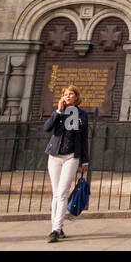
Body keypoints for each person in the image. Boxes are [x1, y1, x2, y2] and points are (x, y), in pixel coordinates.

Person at [44, 84, 89, 244]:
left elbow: (83, 138)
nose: (68, 96)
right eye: (66, 94)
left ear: (76, 97)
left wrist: (85, 160)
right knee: (56, 193)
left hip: (71, 156)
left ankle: (55, 229)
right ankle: (56, 226)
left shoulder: (81, 114)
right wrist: (59, 111)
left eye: (71, 94)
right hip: (55, 156)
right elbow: (47, 128)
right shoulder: (59, 112)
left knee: (63, 192)